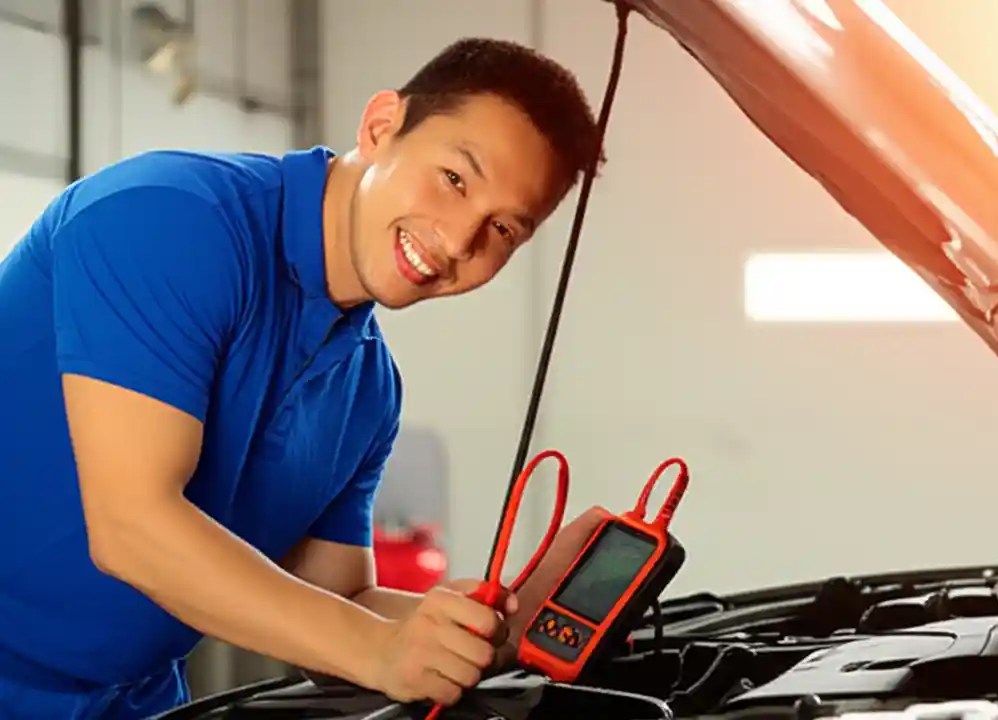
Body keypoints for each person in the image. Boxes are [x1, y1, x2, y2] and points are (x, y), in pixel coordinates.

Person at [0, 37, 603, 719]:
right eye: (455, 179)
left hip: (132, 704)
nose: (459, 239)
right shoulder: (167, 219)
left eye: (502, 228)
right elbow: (133, 527)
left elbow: (338, 605)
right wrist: (378, 648)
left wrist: (500, 629)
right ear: (381, 127)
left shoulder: (370, 390)